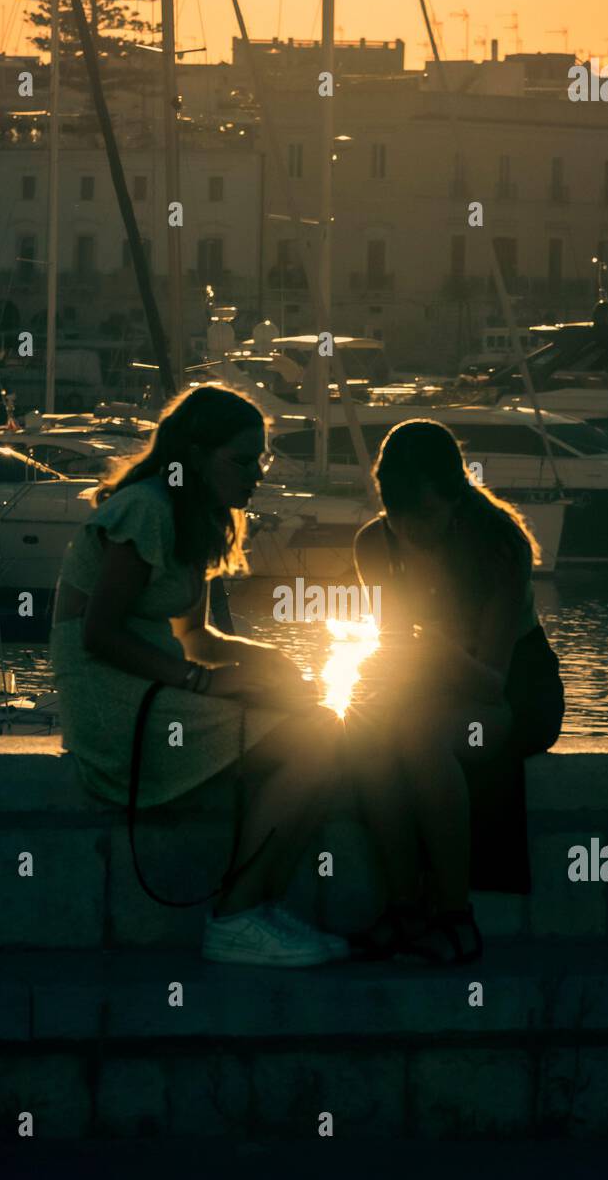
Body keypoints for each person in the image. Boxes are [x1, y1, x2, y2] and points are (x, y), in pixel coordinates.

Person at [49, 383, 346, 968]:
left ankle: (256, 905)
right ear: (193, 453)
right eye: (242, 460)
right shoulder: (148, 510)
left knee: (319, 727)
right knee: (313, 739)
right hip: (113, 697)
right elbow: (99, 633)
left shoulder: (191, 517)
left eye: (260, 459)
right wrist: (208, 685)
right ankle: (238, 915)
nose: (256, 474)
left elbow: (196, 637)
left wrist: (275, 666)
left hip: (153, 683)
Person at [348, 418, 564, 964]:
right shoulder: (376, 544)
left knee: (422, 737)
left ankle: (454, 915)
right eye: (396, 515)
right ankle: (402, 908)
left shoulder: (497, 545)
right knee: (365, 735)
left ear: (455, 496)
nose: (409, 531)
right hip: (431, 681)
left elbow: (489, 681)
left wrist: (430, 653)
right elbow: (393, 642)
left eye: (423, 515)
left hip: (515, 687)